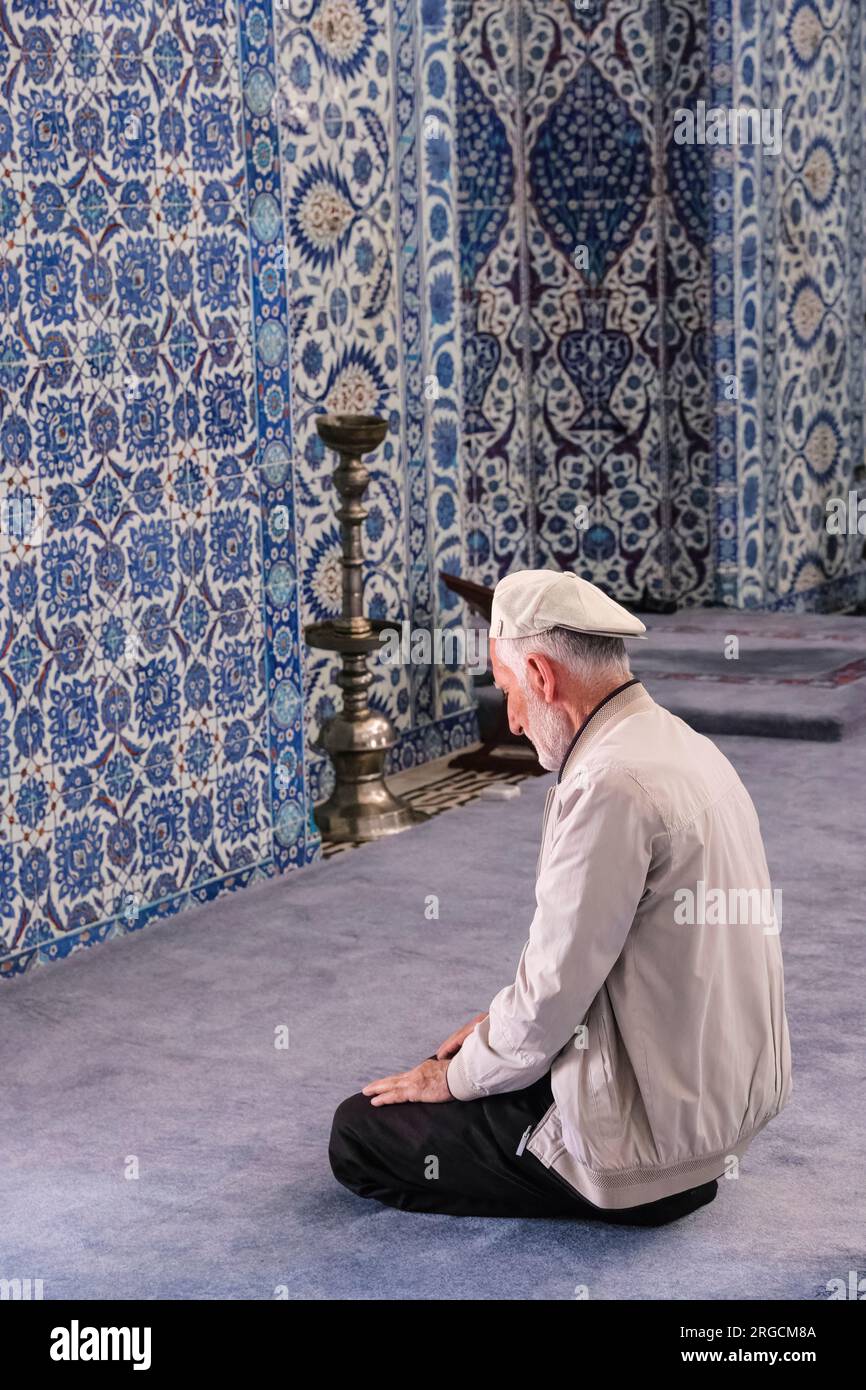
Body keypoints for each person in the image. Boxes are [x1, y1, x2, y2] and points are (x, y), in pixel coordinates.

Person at [329, 569, 792, 1224]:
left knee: (358, 1134)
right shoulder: (685, 745)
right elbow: (604, 961)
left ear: (543, 677)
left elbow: (552, 992)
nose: (513, 720)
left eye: (508, 691)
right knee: (494, 1046)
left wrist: (456, 1078)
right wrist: (496, 1031)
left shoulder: (610, 785)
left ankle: (586, 1181)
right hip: (715, 1125)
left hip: (644, 1160)